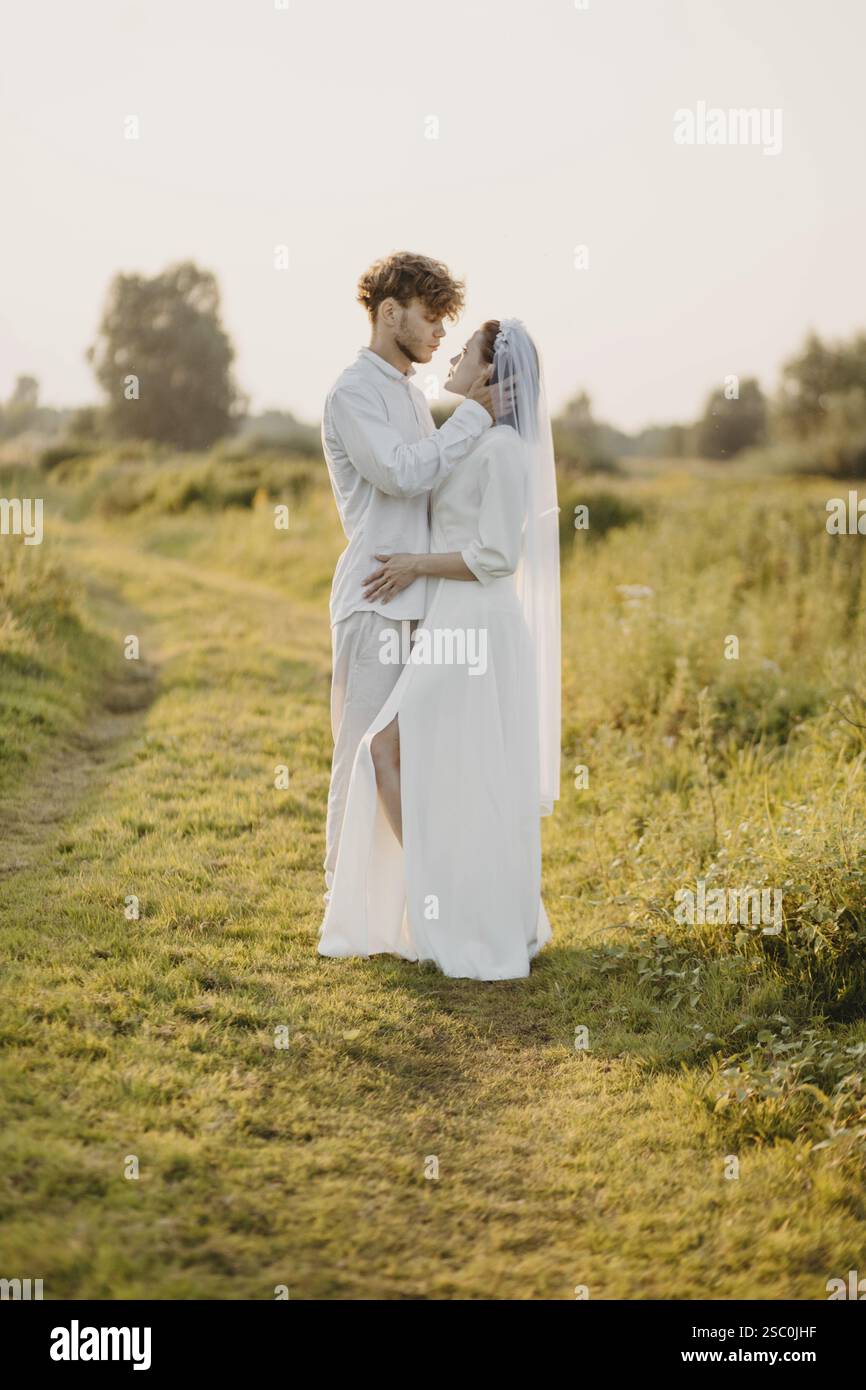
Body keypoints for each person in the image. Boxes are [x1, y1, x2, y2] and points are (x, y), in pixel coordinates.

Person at [318, 318, 561, 980]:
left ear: (489, 373)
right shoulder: (469, 435)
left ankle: (449, 900)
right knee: (434, 762)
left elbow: (497, 556)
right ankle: (443, 896)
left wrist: (415, 566)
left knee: (393, 751)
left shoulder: (503, 450)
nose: (450, 355)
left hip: (473, 626)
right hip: (447, 620)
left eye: (465, 351)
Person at [321, 251, 496, 898]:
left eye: (447, 321)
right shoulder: (353, 393)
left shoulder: (410, 395)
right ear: (389, 313)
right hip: (375, 600)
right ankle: (344, 907)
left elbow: (434, 487)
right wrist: (474, 415)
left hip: (421, 599)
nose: (442, 333)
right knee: (363, 753)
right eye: (431, 317)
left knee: (406, 757)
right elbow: (399, 473)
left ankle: (403, 906)